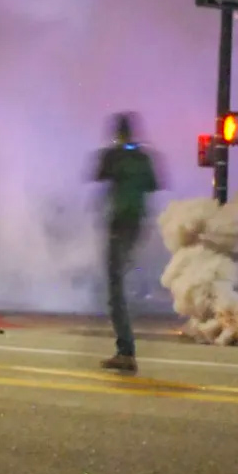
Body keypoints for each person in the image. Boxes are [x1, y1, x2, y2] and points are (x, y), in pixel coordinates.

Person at [93, 112, 160, 374]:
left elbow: (98, 175)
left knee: (115, 290)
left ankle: (125, 351)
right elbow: (153, 185)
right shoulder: (144, 158)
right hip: (137, 226)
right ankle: (125, 346)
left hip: (118, 225)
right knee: (121, 283)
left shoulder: (114, 157)